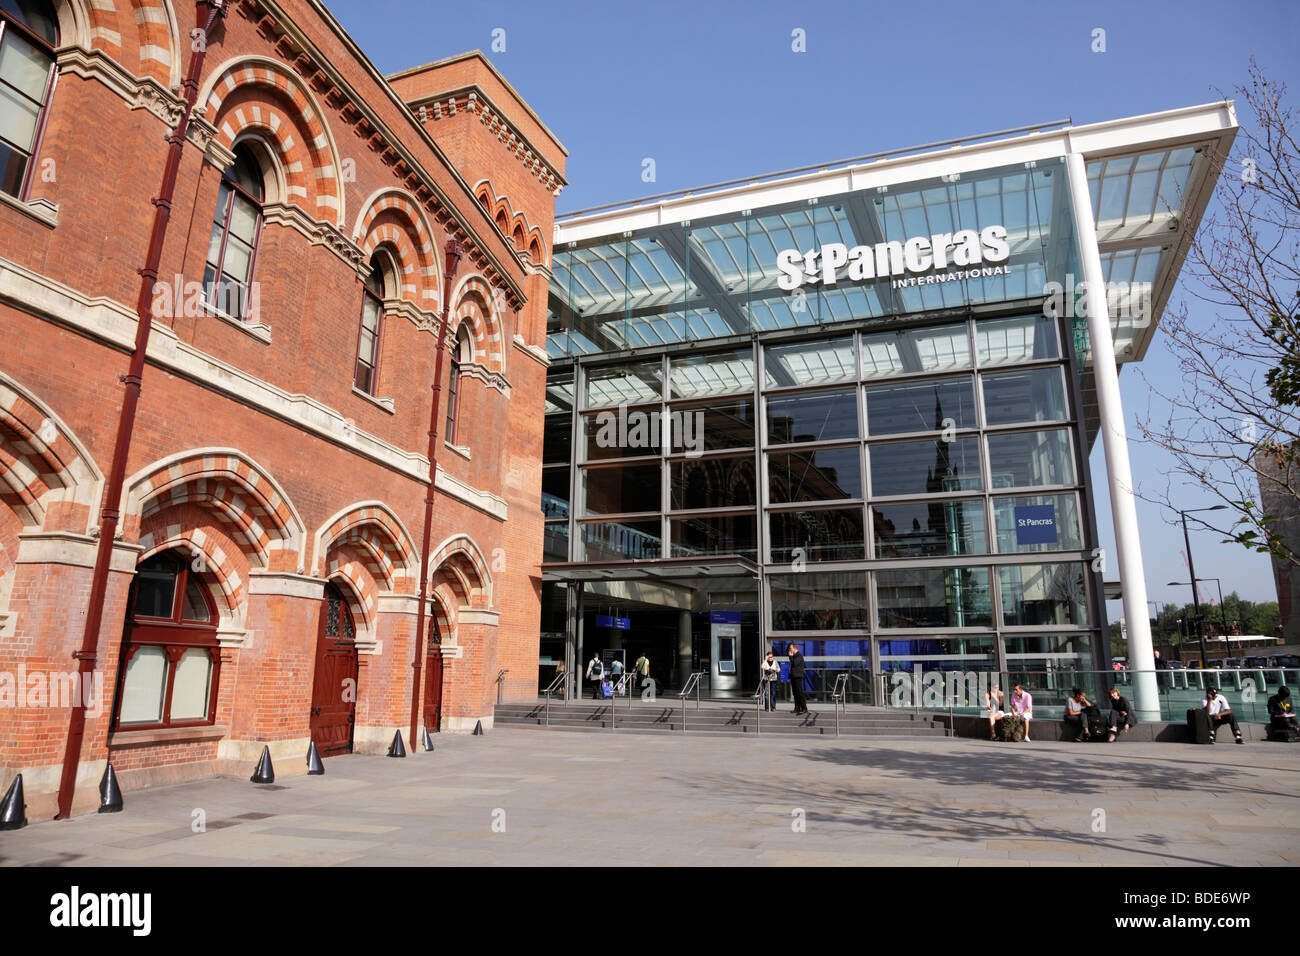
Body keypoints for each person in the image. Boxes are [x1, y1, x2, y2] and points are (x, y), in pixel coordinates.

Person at [787, 643, 808, 715]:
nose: (790, 650)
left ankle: (804, 708)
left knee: (800, 693)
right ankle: (797, 708)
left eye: (791, 648)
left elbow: (795, 664)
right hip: (793, 676)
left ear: (795, 648)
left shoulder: (798, 655)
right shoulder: (794, 656)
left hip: (798, 677)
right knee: (795, 693)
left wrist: (790, 657)